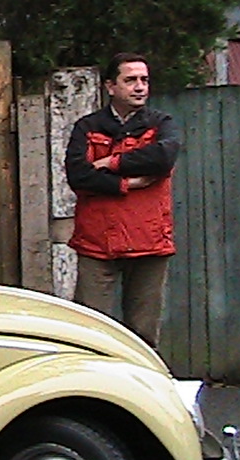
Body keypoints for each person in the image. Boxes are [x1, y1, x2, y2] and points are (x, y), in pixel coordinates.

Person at [64, 52, 181, 348]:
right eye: (130, 80)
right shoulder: (87, 127)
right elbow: (78, 176)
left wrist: (111, 163)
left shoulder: (161, 124)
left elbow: (163, 157)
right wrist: (126, 183)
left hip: (148, 242)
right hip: (97, 242)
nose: (140, 86)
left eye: (144, 80)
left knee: (143, 336)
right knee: (89, 333)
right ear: (110, 86)